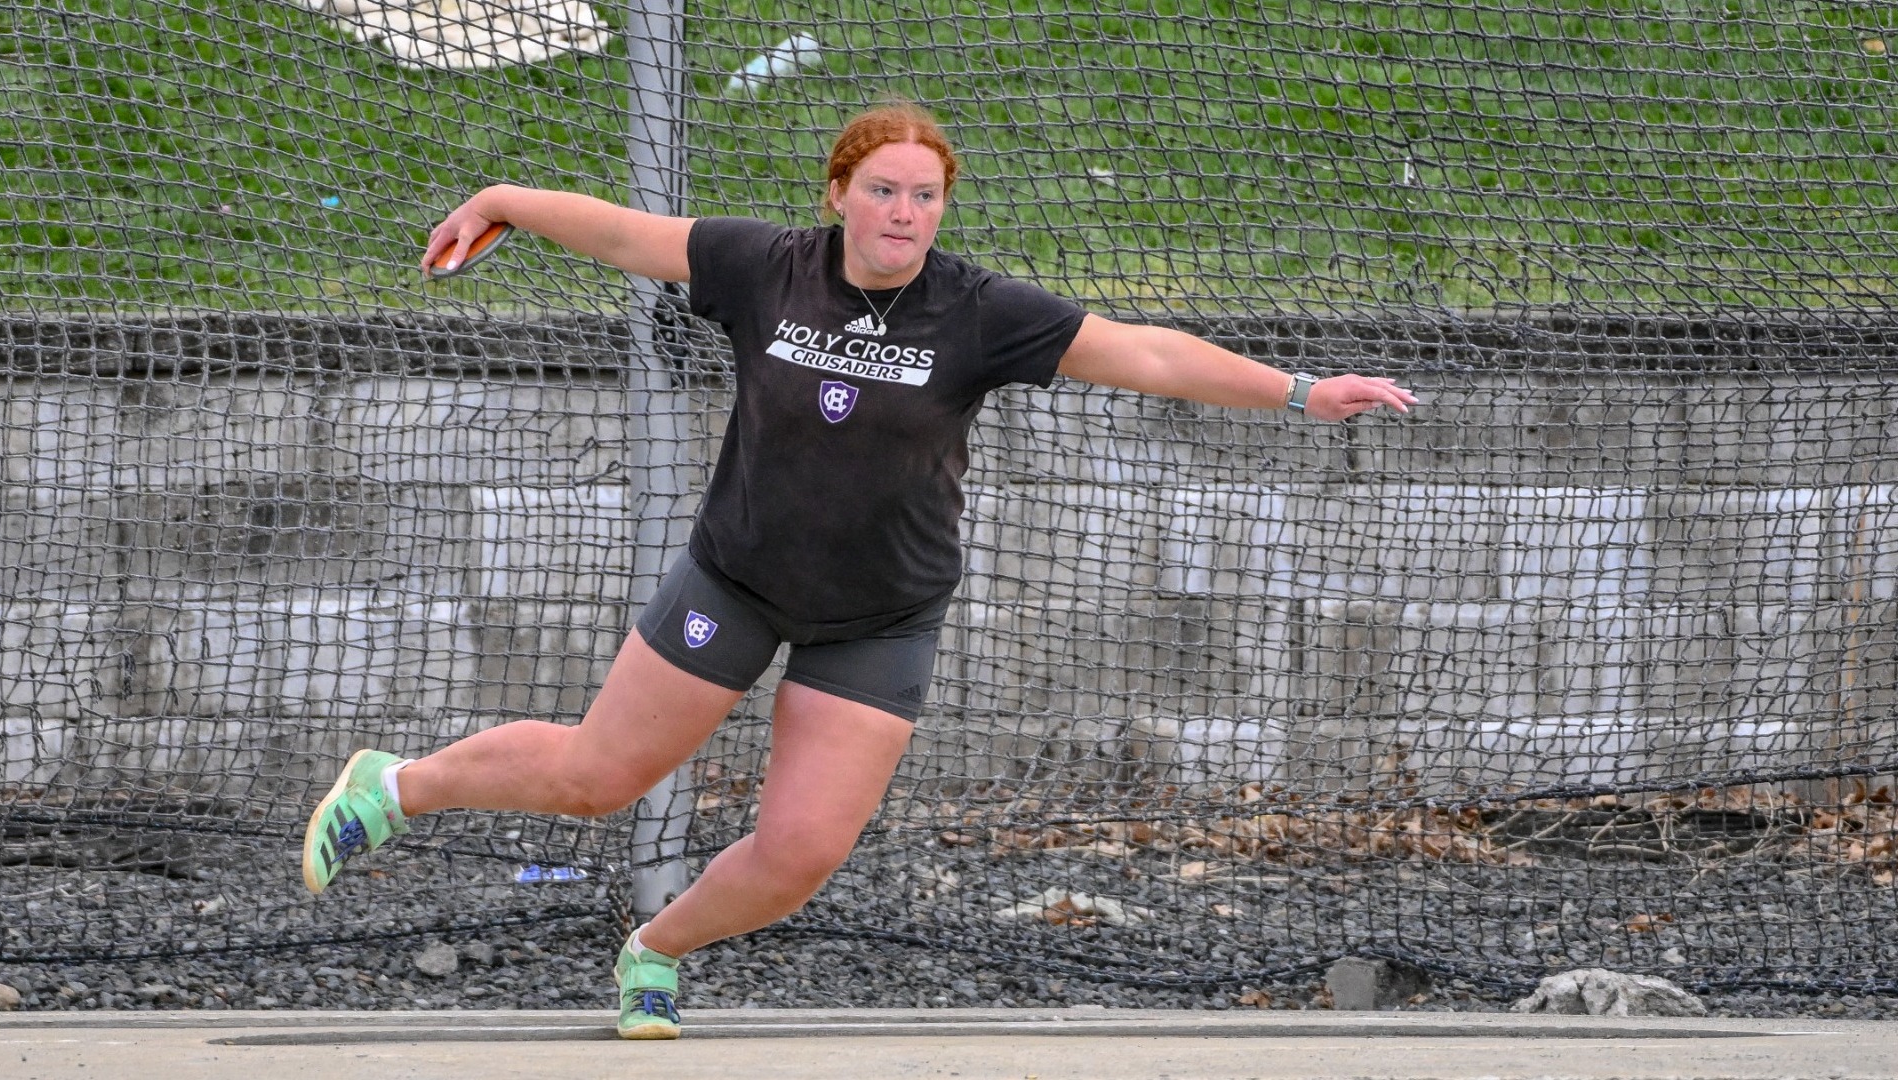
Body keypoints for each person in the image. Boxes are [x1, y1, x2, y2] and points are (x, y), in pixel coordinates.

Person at [301, 103, 1418, 1038]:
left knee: (798, 855)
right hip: (735, 578)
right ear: (837, 192)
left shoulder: (977, 313)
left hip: (878, 615)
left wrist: (1299, 391)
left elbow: (1146, 352)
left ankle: (654, 948)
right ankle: (394, 787)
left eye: (925, 196)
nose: (904, 214)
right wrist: (501, 200)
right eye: (883, 190)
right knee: (598, 778)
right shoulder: (763, 267)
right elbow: (623, 233)